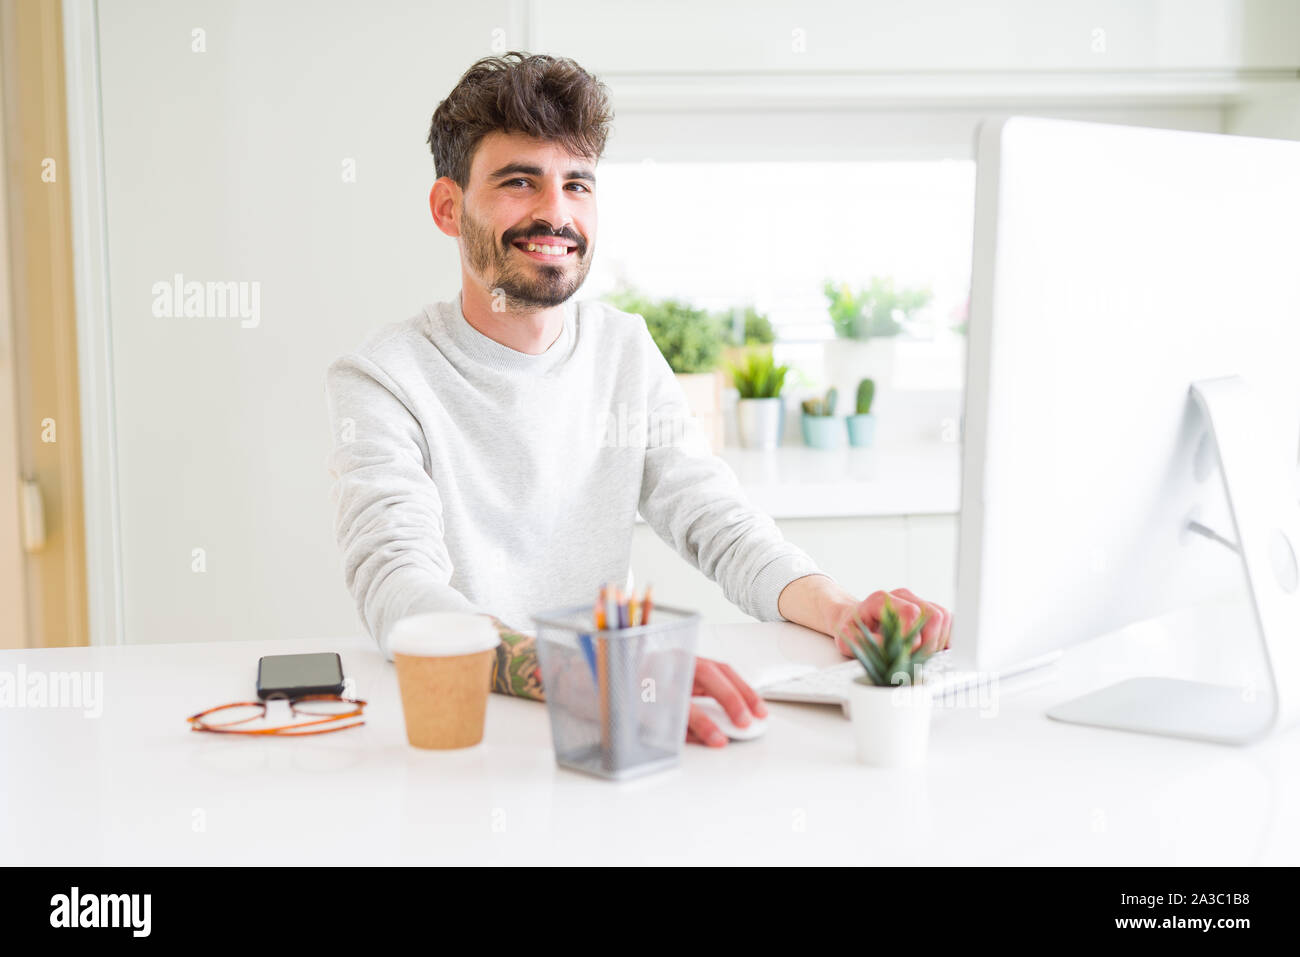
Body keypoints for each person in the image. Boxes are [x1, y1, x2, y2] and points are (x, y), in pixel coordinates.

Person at [324, 52, 951, 748]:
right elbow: (398, 587)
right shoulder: (384, 378)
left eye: (577, 184)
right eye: (519, 181)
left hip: (609, 732)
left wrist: (839, 610)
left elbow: (717, 521)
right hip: (466, 729)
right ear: (449, 207)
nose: (554, 213)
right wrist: (579, 671)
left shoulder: (622, 349)